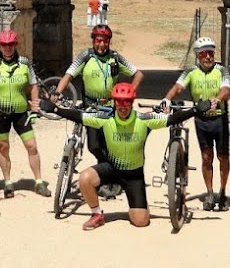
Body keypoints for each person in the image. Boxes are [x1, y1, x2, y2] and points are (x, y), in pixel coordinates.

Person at [41, 82, 213, 230]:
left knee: (140, 221)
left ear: (132, 102)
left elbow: (172, 119)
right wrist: (56, 109)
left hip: (134, 175)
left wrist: (196, 110)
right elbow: (79, 116)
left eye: (127, 102)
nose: (123, 106)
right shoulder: (105, 118)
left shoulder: (144, 119)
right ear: (114, 103)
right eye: (119, 102)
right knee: (85, 178)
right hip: (111, 169)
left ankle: (137, 204)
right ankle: (96, 214)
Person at [54, 23, 143, 165]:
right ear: (93, 41)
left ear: (109, 41)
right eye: (98, 40)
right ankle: (106, 167)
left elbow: (138, 74)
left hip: (110, 107)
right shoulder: (85, 56)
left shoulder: (115, 58)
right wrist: (57, 92)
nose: (101, 44)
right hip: (90, 107)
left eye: (105, 41)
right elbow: (68, 75)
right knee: (94, 146)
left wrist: (129, 93)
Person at [0, 29, 51, 198]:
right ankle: (8, 183)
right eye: (4, 45)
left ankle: (39, 182)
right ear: (0, 46)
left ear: (16, 45)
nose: (8, 48)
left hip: (20, 112)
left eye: (10, 44)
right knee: (3, 147)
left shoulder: (25, 63)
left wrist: (35, 106)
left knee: (32, 146)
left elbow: (33, 85)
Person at [161, 36, 230, 211]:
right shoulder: (190, 72)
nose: (208, 57)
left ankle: (222, 192)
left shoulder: (222, 70)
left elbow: (226, 89)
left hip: (219, 118)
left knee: (222, 157)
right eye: (203, 54)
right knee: (206, 157)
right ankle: (209, 193)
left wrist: (217, 99)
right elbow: (178, 87)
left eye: (210, 53)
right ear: (197, 56)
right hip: (201, 120)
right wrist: (167, 99)